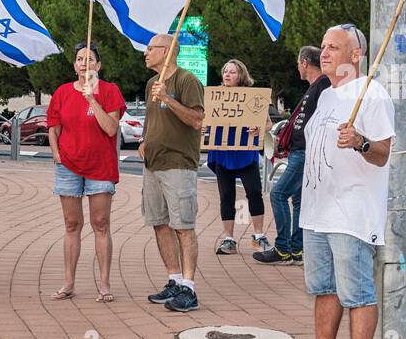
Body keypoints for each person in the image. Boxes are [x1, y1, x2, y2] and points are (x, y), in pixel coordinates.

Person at [280, 24, 394, 339]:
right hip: (317, 211)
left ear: (355, 55)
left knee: (357, 291)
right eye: (324, 46)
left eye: (333, 47)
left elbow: (383, 154)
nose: (324, 53)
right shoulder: (325, 95)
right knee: (323, 288)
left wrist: (360, 142)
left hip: (351, 213)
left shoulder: (372, 94)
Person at [47, 41, 125, 302]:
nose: (85, 63)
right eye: (80, 59)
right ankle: (68, 282)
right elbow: (54, 126)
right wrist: (56, 152)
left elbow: (111, 128)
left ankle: (104, 284)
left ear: (99, 65)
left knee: (100, 224)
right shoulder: (62, 92)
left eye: (90, 59)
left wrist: (92, 98)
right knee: (72, 224)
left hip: (100, 166)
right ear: (74, 65)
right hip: (69, 165)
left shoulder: (110, 91)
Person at [139, 32, 205, 313]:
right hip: (153, 164)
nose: (146, 52)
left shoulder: (186, 80)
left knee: (183, 226)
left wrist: (169, 98)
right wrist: (143, 140)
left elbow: (196, 119)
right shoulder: (151, 83)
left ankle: (189, 288)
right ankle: (173, 279)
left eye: (151, 48)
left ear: (167, 52)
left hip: (178, 164)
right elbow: (152, 119)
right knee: (160, 223)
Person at [255, 46, 328, 264]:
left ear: (305, 62)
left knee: (278, 194)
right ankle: (296, 249)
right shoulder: (315, 87)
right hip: (301, 150)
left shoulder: (322, 85)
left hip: (305, 152)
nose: (298, 67)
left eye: (298, 63)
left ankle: (283, 248)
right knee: (298, 199)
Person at [208, 59, 270, 256]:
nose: (227, 74)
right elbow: (202, 120)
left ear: (241, 75)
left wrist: (259, 128)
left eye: (232, 72)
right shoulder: (214, 96)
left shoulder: (252, 96)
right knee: (226, 195)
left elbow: (267, 124)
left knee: (253, 192)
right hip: (221, 150)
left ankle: (258, 235)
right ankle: (229, 238)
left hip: (245, 150)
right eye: (225, 71)